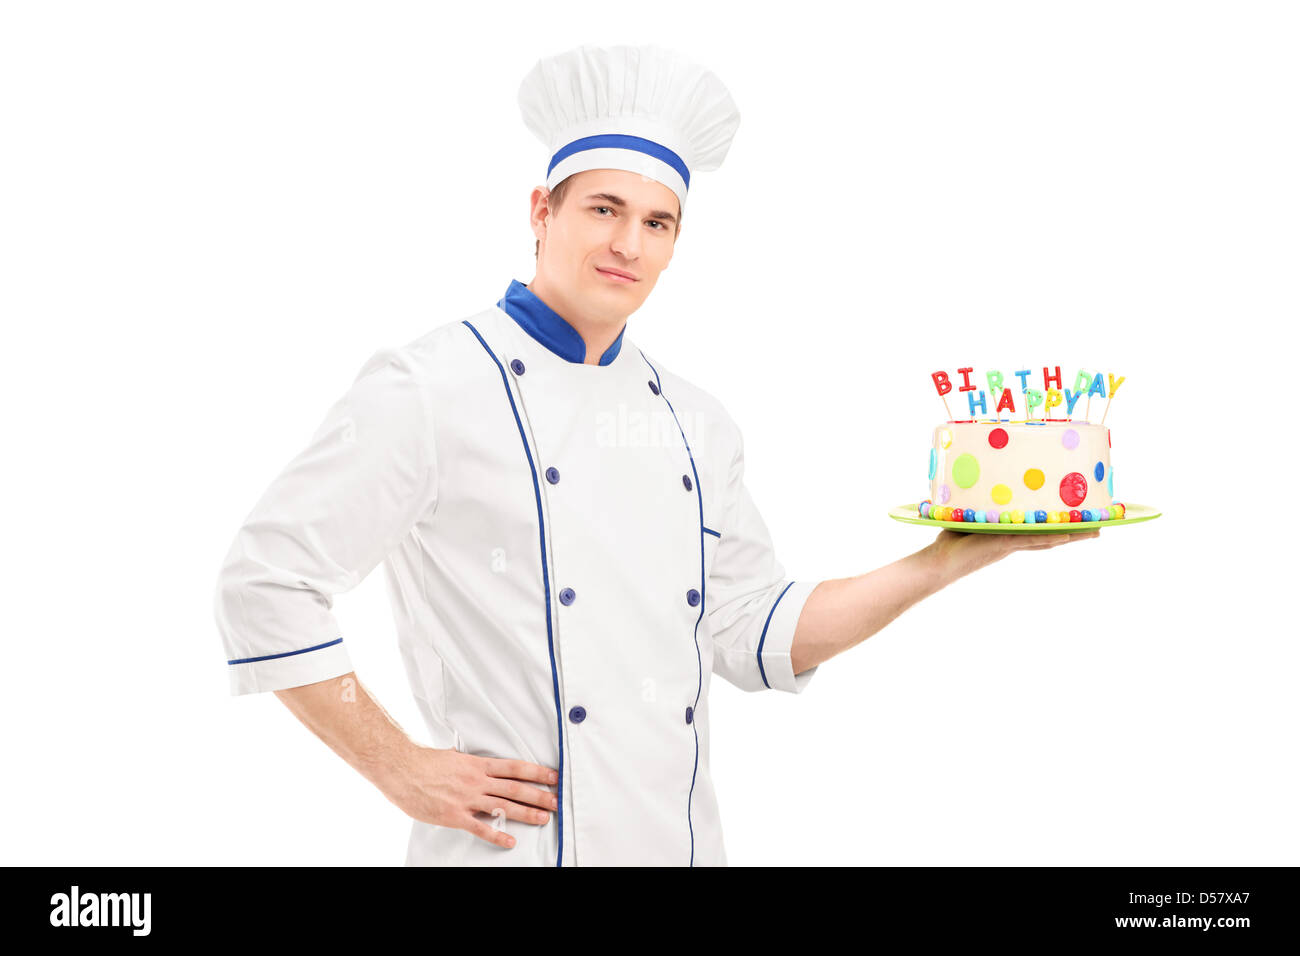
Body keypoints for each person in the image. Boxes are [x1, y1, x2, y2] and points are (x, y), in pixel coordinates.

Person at [212, 43, 1098, 867]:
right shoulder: (430, 387)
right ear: (540, 210)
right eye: (603, 209)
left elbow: (754, 631)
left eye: (657, 222)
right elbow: (266, 583)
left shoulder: (692, 420)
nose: (628, 245)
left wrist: (947, 561)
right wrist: (399, 765)